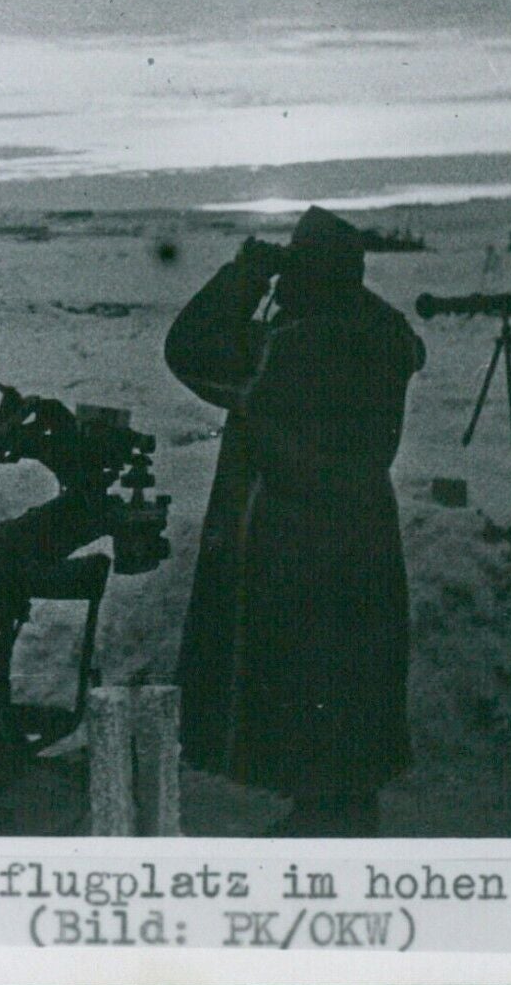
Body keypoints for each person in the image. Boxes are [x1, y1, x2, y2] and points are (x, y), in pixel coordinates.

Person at [163, 206, 425, 836]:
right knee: (350, 676)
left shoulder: (294, 346)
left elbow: (189, 348)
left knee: (298, 673)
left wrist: (246, 274)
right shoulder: (377, 332)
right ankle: (344, 808)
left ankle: (322, 821)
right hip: (361, 530)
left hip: (293, 537)